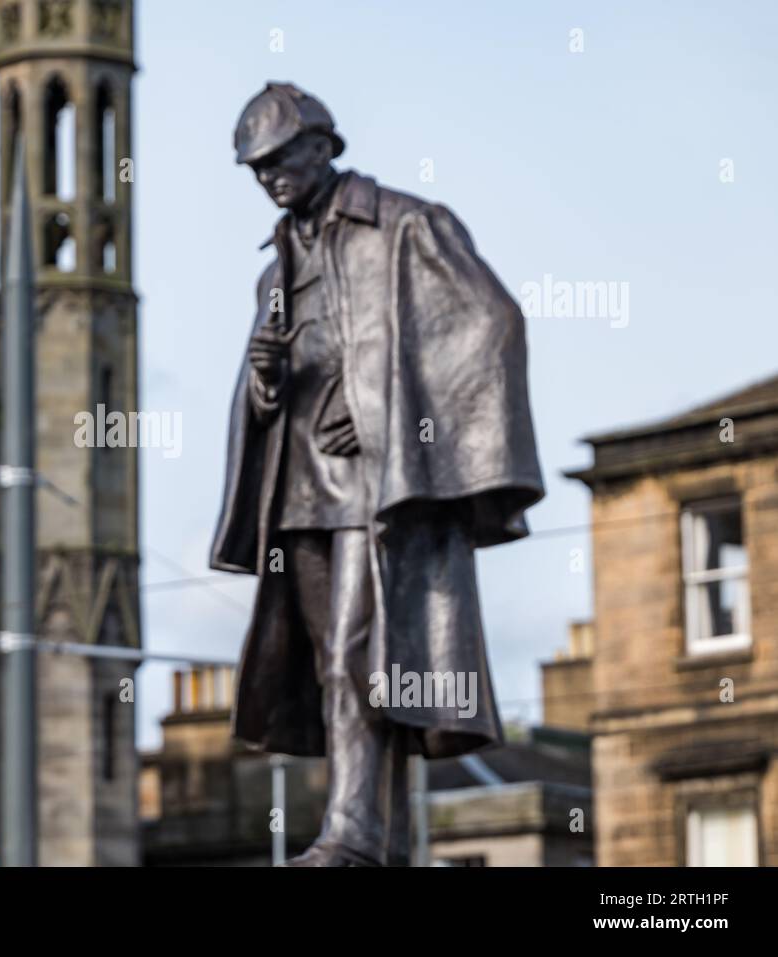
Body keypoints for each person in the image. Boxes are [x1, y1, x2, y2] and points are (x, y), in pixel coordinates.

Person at [211, 83, 545, 866]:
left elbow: (491, 324)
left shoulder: (403, 226)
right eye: (258, 169)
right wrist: (264, 381)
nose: (272, 177)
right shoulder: (276, 268)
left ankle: (354, 834)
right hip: (298, 488)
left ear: (325, 145)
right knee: (341, 669)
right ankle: (377, 836)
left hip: (376, 485)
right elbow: (269, 388)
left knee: (357, 656)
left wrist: (394, 416)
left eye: (283, 158)